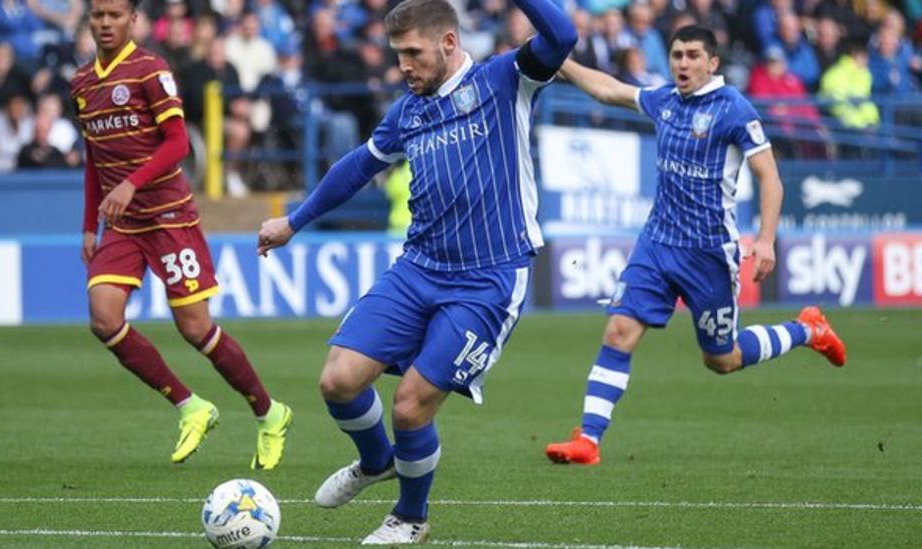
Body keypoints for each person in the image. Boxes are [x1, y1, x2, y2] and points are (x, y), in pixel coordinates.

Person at [257, 0, 576, 542]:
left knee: (409, 406)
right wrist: (295, 221)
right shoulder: (409, 110)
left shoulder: (505, 79)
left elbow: (562, 34)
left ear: (448, 43)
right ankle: (377, 461)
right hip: (418, 267)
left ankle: (410, 516)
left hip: (488, 279)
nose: (403, 65)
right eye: (397, 53)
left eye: (412, 52)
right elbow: (358, 165)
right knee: (337, 381)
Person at [544, 26, 847, 467]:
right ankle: (589, 439)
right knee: (618, 331)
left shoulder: (734, 110)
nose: (682, 64)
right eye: (676, 55)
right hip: (656, 245)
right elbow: (610, 90)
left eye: (691, 56)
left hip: (708, 255)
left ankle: (808, 330)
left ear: (713, 63)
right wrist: (561, 63)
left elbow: (770, 177)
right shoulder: (664, 100)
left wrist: (764, 240)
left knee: (722, 359)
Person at [71, 0, 292, 470]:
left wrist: (131, 183)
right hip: (125, 225)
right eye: (98, 15)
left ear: (133, 19)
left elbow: (178, 142)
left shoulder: (151, 69)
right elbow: (94, 158)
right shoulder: (82, 83)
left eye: (115, 15)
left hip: (170, 218)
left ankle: (270, 413)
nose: (105, 24)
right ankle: (191, 406)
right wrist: (90, 224)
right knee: (103, 318)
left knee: (194, 328)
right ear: (90, 20)